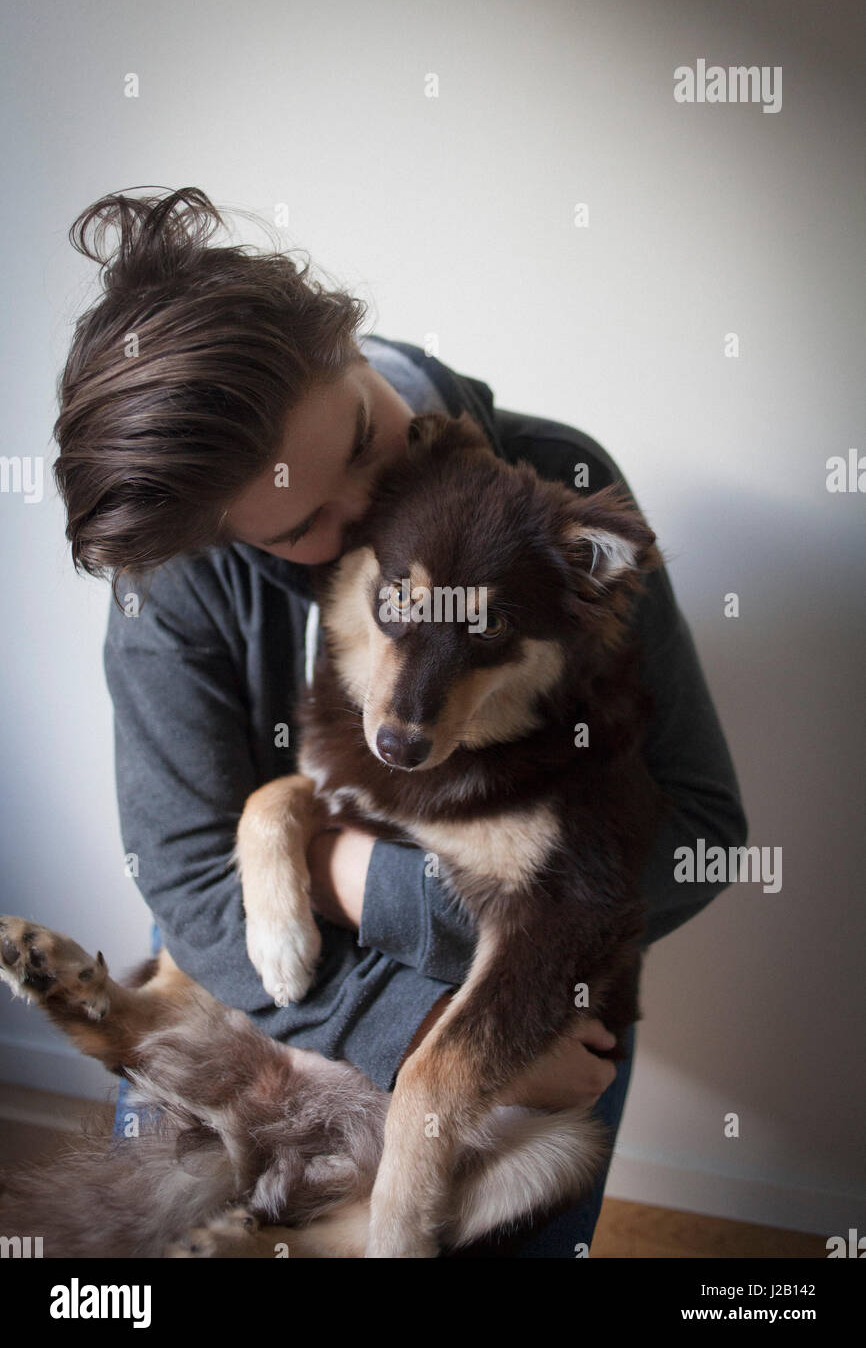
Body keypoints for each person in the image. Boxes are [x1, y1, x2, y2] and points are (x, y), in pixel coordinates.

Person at [51, 186, 748, 1258]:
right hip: (260, 970)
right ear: (224, 536)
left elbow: (699, 836)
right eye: (301, 528)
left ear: (348, 337)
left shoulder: (554, 485)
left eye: (369, 439)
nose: (371, 515)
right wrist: (380, 952)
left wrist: (491, 1017)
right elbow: (189, 875)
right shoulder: (178, 569)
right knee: (147, 1252)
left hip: (527, 999)